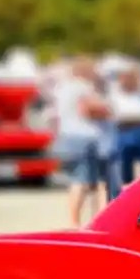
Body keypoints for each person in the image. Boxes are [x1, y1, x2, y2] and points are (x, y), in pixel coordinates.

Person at [51, 57, 112, 227]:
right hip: (85, 137)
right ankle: (79, 221)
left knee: (79, 180)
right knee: (86, 181)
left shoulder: (63, 87)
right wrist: (108, 110)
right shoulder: (82, 87)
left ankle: (77, 220)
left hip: (67, 136)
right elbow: (88, 109)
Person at [106, 66, 140, 197]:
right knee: (123, 168)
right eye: (124, 78)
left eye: (130, 78)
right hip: (123, 132)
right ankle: (122, 197)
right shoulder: (114, 94)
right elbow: (113, 114)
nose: (127, 81)